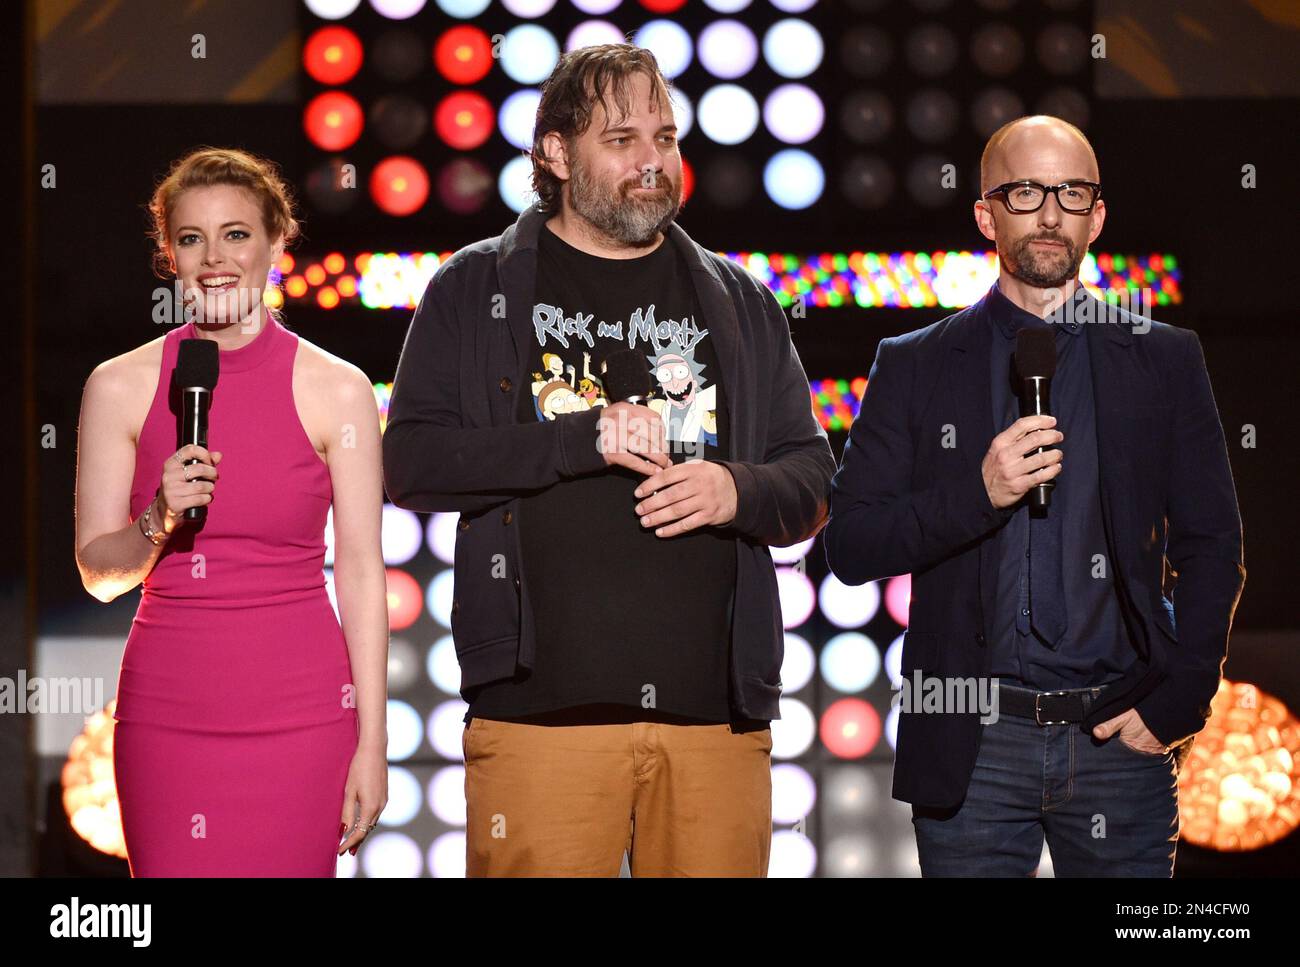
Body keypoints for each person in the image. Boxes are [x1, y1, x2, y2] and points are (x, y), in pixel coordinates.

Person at [383, 44, 835, 877]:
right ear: (556, 153)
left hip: (716, 720)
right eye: (622, 140)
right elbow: (411, 463)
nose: (653, 162)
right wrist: (576, 438)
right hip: (538, 718)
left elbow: (812, 480)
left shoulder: (739, 301)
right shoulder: (474, 287)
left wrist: (734, 488)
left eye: (665, 139)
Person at [824, 116, 1244, 876]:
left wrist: (1180, 699)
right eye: (1026, 192)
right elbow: (851, 544)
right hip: (972, 741)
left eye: (1072, 193)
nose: (1050, 214)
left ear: (1097, 215)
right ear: (986, 213)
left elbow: (1213, 542)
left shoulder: (1164, 359)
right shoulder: (916, 364)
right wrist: (978, 492)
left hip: (1120, 733)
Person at [74, 147, 389, 875]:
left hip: (304, 717)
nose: (215, 257)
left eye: (236, 234)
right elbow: (98, 572)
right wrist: (157, 515)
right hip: (169, 717)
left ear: (277, 244)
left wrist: (372, 743)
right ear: (169, 256)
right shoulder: (118, 386)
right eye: (192, 238)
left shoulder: (337, 389)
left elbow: (365, 572)